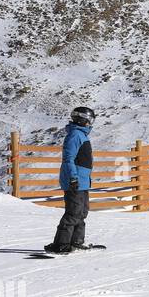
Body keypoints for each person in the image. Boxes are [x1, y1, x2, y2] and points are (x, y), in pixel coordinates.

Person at [46, 106, 95, 253]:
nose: (90, 123)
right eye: (89, 120)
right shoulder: (75, 135)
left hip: (83, 181)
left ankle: (76, 241)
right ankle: (61, 244)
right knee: (73, 213)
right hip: (76, 181)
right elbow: (68, 159)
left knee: (82, 212)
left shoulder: (81, 135)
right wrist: (73, 178)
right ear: (82, 119)